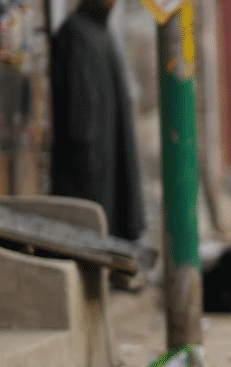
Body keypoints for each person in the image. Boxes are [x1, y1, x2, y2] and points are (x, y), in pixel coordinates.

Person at [49, 0, 144, 243]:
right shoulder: (75, 34)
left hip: (106, 158)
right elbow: (79, 119)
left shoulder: (101, 33)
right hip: (88, 168)